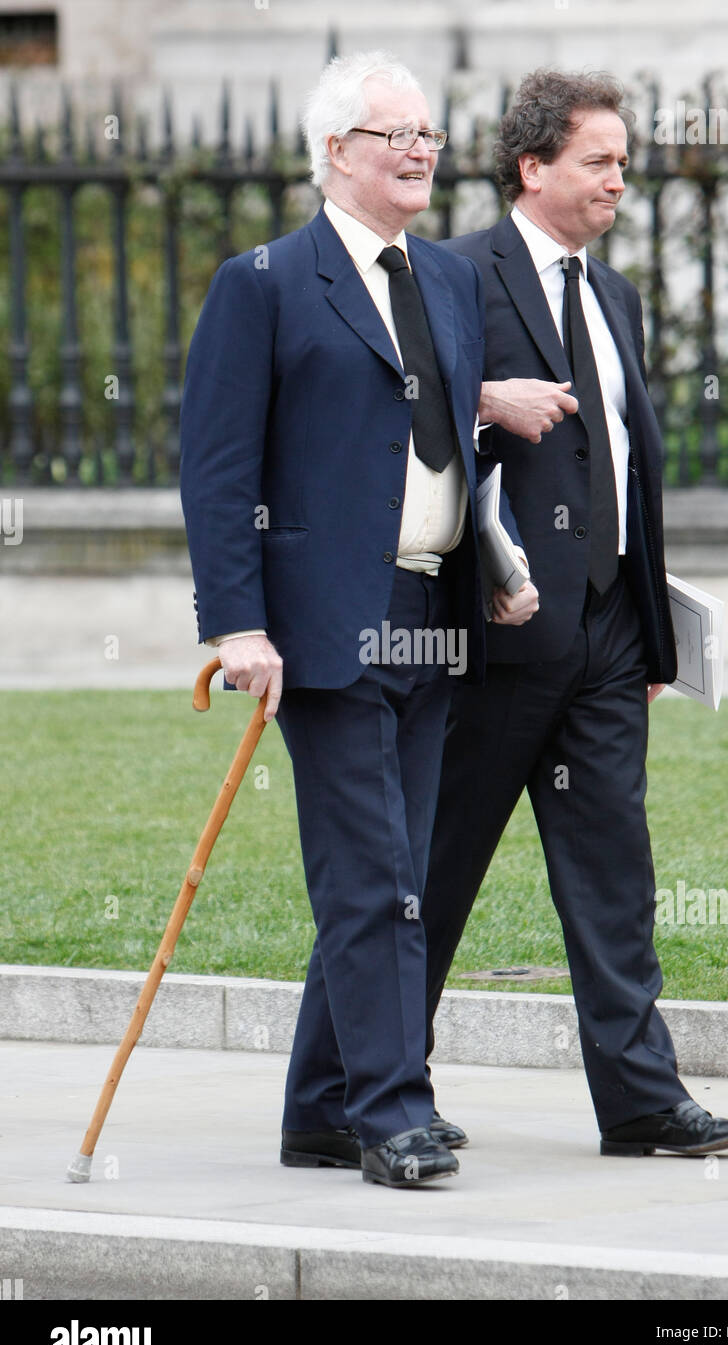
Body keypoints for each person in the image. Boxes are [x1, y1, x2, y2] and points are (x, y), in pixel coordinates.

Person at [179, 52, 538, 1189]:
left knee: (406, 869)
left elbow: (434, 432)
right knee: (368, 868)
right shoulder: (267, 282)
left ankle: (320, 1108)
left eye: (429, 133)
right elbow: (218, 466)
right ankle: (392, 1111)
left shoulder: (442, 279)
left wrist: (495, 557)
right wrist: (237, 626)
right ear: (335, 153)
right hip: (326, 622)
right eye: (396, 136)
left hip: (430, 607)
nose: (422, 151)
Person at [423, 69, 728, 1158]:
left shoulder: (612, 296)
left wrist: (651, 631)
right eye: (599, 160)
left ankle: (642, 1101)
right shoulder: (454, 277)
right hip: (496, 635)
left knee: (617, 874)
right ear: (533, 167)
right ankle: (368, 1087)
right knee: (433, 873)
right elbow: (390, 405)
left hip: (611, 638)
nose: (621, 177)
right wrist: (481, 400)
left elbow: (626, 467)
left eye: (623, 160)